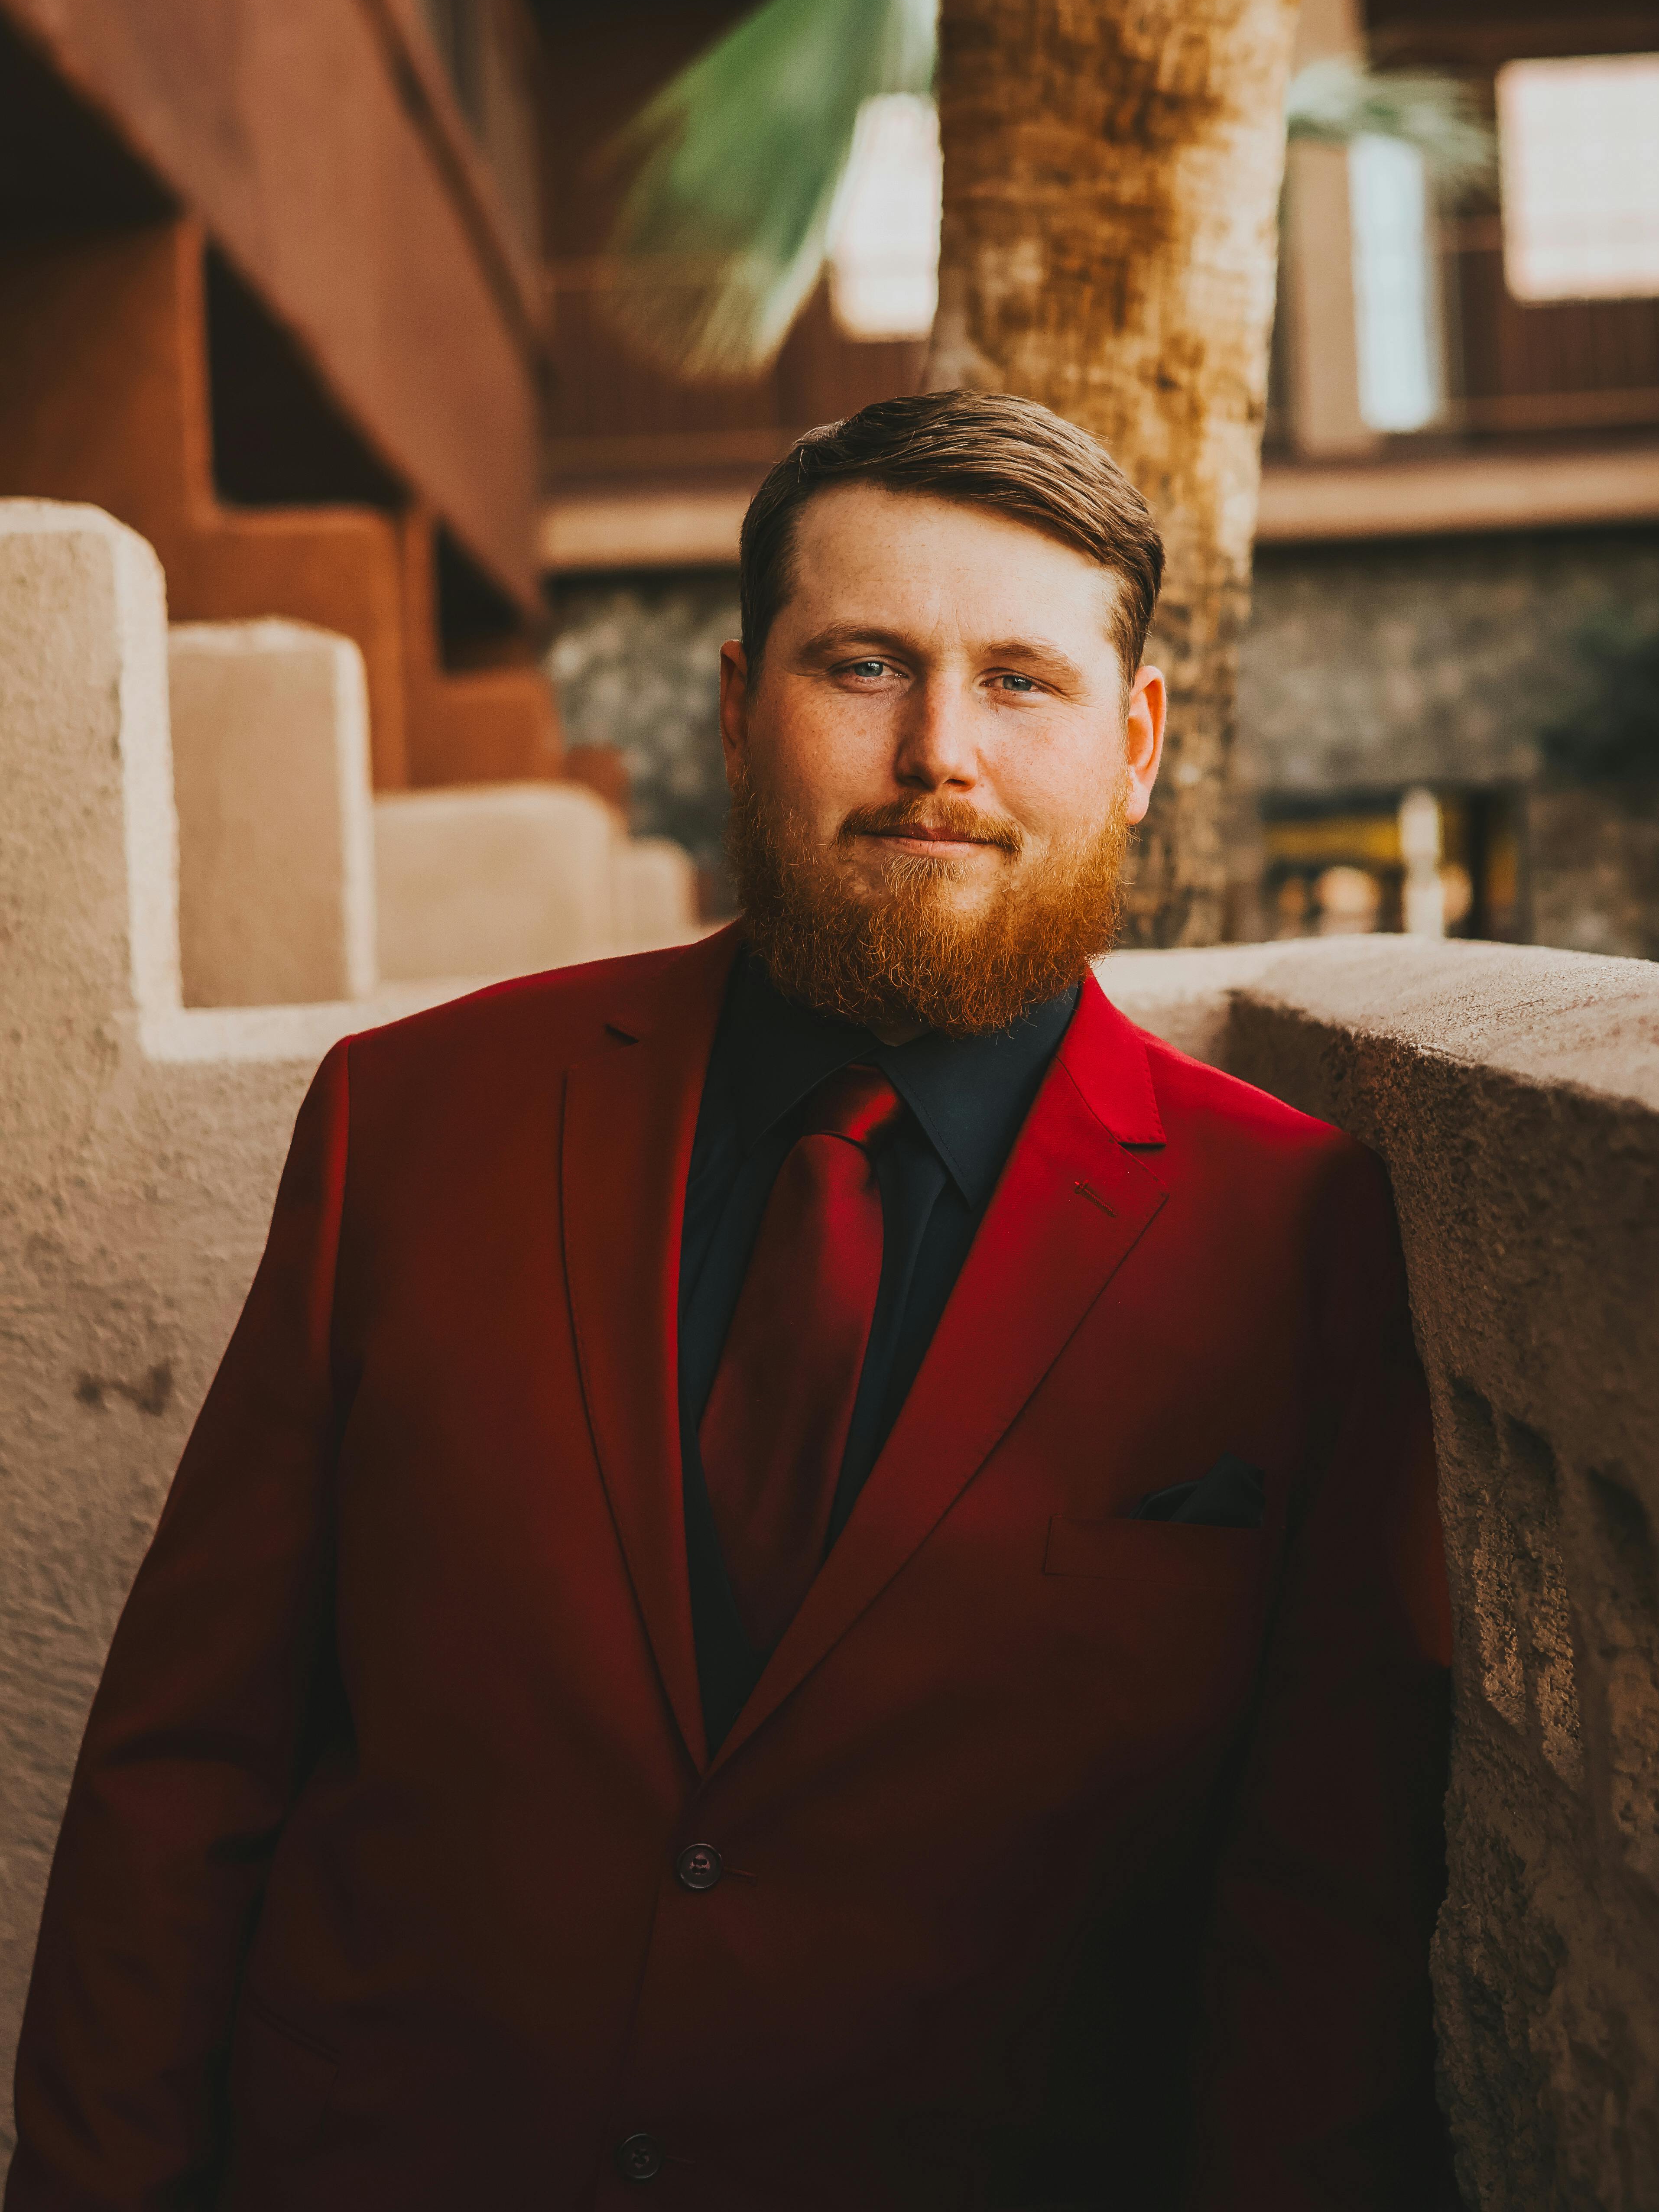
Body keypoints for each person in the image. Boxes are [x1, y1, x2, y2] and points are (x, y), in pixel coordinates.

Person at [7, 392, 1451, 2212]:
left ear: (1138, 741)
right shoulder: (415, 1120)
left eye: (1021, 682)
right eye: (863, 665)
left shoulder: (1293, 1232)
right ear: (733, 702)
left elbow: (1313, 1925)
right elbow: (185, 1774)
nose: (939, 752)